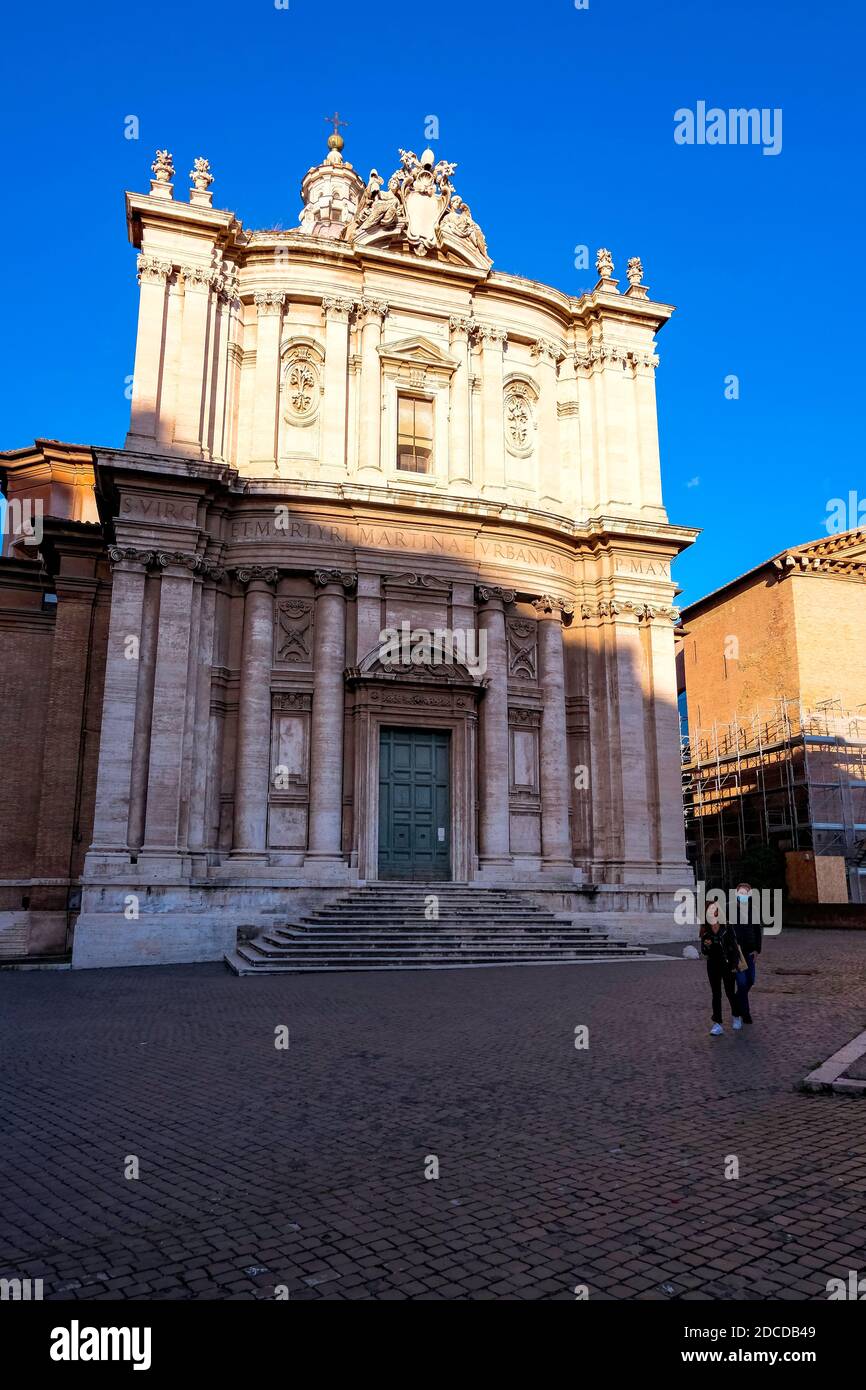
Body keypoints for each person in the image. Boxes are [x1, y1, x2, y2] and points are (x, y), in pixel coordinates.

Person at [700, 899, 742, 1036]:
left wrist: (735, 964)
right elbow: (704, 952)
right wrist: (707, 945)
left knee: (730, 992)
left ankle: (736, 1016)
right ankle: (717, 1023)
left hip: (728, 964)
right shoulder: (705, 930)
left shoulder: (727, 926)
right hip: (713, 964)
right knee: (716, 994)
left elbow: (735, 948)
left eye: (714, 909)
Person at [732, 882, 762, 1024]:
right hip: (737, 953)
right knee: (742, 983)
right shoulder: (729, 908)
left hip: (750, 952)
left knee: (750, 981)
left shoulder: (753, 910)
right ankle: (745, 1013)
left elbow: (757, 931)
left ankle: (736, 1004)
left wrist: (757, 949)